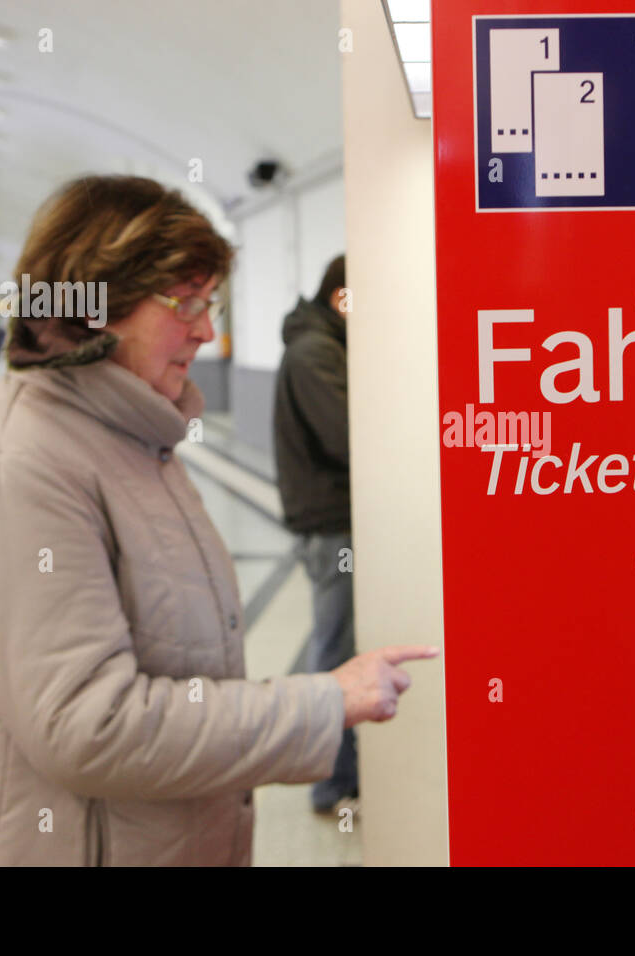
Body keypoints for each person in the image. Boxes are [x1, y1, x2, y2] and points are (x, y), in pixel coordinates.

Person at [0, 176, 436, 866]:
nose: (207, 329)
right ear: (97, 306)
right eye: (185, 301)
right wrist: (321, 703)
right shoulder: (19, 467)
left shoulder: (134, 438)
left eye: (208, 301)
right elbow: (91, 727)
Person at [271, 255, 360, 812]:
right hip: (331, 526)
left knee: (341, 642)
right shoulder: (315, 353)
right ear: (341, 300)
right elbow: (348, 435)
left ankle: (345, 775)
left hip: (332, 521)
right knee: (334, 650)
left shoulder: (323, 344)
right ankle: (331, 785)